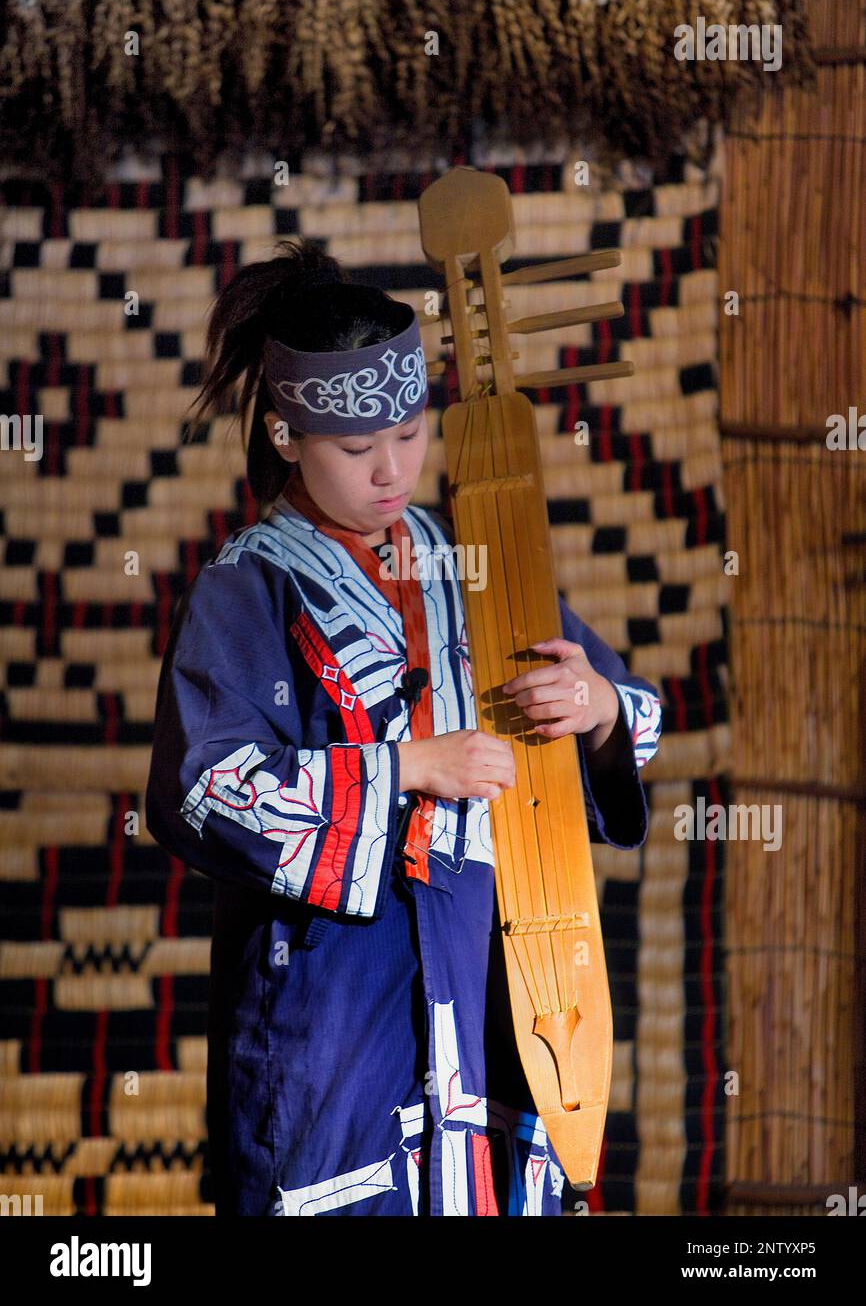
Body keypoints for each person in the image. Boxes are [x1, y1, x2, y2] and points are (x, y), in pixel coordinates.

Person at [145, 238, 662, 1217]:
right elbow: (205, 786)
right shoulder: (248, 583)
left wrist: (592, 707)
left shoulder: (472, 559)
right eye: (354, 448)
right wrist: (408, 767)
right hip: (336, 981)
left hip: (489, 966)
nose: (392, 471)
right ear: (288, 434)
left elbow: (630, 715)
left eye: (409, 434)